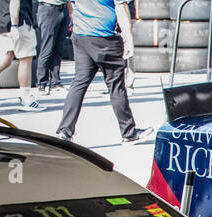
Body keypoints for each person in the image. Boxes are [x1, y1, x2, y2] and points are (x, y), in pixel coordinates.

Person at [56, 0, 151, 143]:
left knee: (79, 83)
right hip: (105, 37)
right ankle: (129, 133)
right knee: (116, 86)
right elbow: (121, 6)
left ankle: (65, 131)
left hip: (81, 34)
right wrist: (128, 38)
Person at [34, 0, 67, 94]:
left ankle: (55, 82)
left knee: (58, 48)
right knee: (47, 48)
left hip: (63, 7)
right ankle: (42, 83)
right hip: (49, 8)